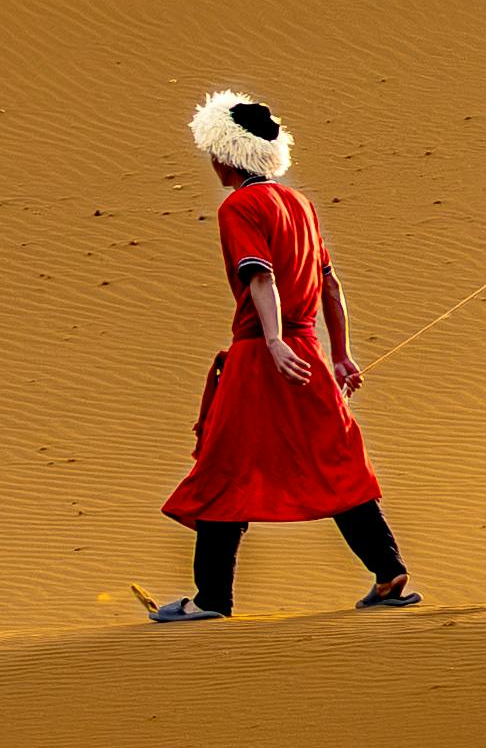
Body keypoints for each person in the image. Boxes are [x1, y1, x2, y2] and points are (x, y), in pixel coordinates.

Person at [149, 89, 417, 620]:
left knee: (224, 471)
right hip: (309, 354)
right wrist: (340, 356)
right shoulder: (300, 204)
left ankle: (211, 600)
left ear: (227, 154)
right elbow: (329, 284)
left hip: (261, 359)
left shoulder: (240, 206)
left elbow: (259, 275)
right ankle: (388, 573)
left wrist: (271, 342)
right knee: (337, 461)